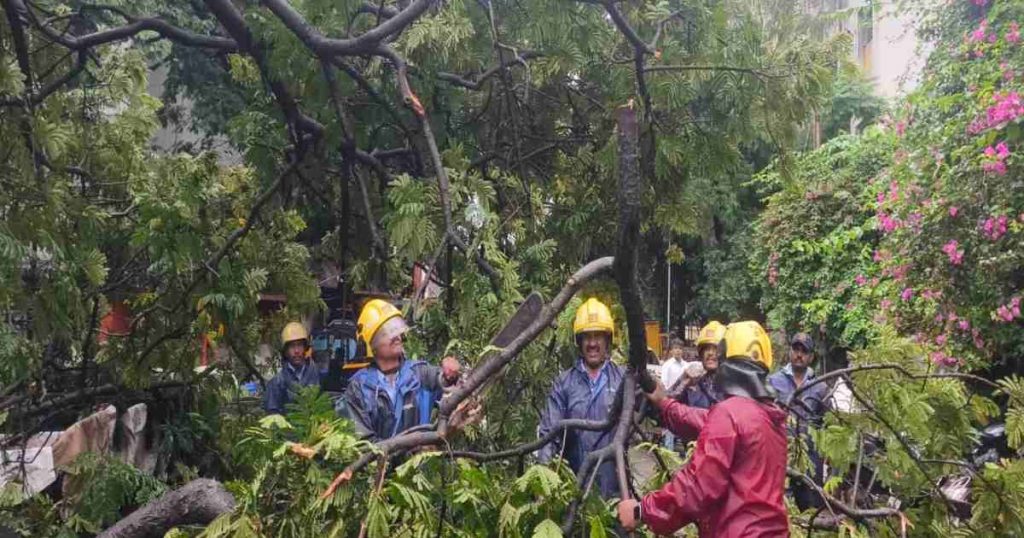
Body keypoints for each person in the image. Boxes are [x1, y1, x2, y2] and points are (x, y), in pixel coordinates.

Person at [617, 321, 789, 536]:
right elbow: (703, 420)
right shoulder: (773, 420)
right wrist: (665, 404)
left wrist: (642, 511)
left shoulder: (729, 414)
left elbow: (697, 487)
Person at [336, 300, 461, 442]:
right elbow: (362, 442)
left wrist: (450, 375)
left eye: (395, 328)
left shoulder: (418, 373)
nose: (397, 336)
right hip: (380, 463)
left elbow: (443, 381)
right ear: (371, 345)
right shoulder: (359, 388)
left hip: (422, 461)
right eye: (387, 332)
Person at [537, 298, 624, 498]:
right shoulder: (564, 383)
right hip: (574, 487)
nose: (592, 343)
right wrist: (543, 479)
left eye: (598, 336)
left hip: (614, 490)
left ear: (607, 339)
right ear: (579, 341)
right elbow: (550, 432)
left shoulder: (623, 380)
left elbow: (656, 409)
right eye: (587, 337)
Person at [768, 332, 829, 510]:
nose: (799, 354)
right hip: (779, 457)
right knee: (779, 508)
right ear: (790, 351)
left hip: (810, 461)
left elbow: (827, 426)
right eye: (796, 349)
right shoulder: (773, 382)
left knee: (810, 511)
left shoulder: (821, 387)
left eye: (804, 351)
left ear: (811, 357)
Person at [263, 321, 322, 414]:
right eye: (292, 346)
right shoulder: (278, 380)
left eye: (299, 345)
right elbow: (272, 414)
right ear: (285, 350)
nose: (297, 351)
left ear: (305, 347)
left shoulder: (316, 373)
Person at [680, 321, 726, 410]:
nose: (710, 353)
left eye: (715, 349)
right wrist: (683, 385)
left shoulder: (732, 387)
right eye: (706, 349)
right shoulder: (694, 384)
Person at [659, 338, 690, 449]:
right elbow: (664, 383)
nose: (678, 351)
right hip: (671, 398)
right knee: (670, 425)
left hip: (684, 399)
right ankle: (669, 451)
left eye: (680, 348)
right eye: (675, 348)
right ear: (671, 351)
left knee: (684, 423)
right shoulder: (667, 365)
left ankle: (687, 450)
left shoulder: (686, 365)